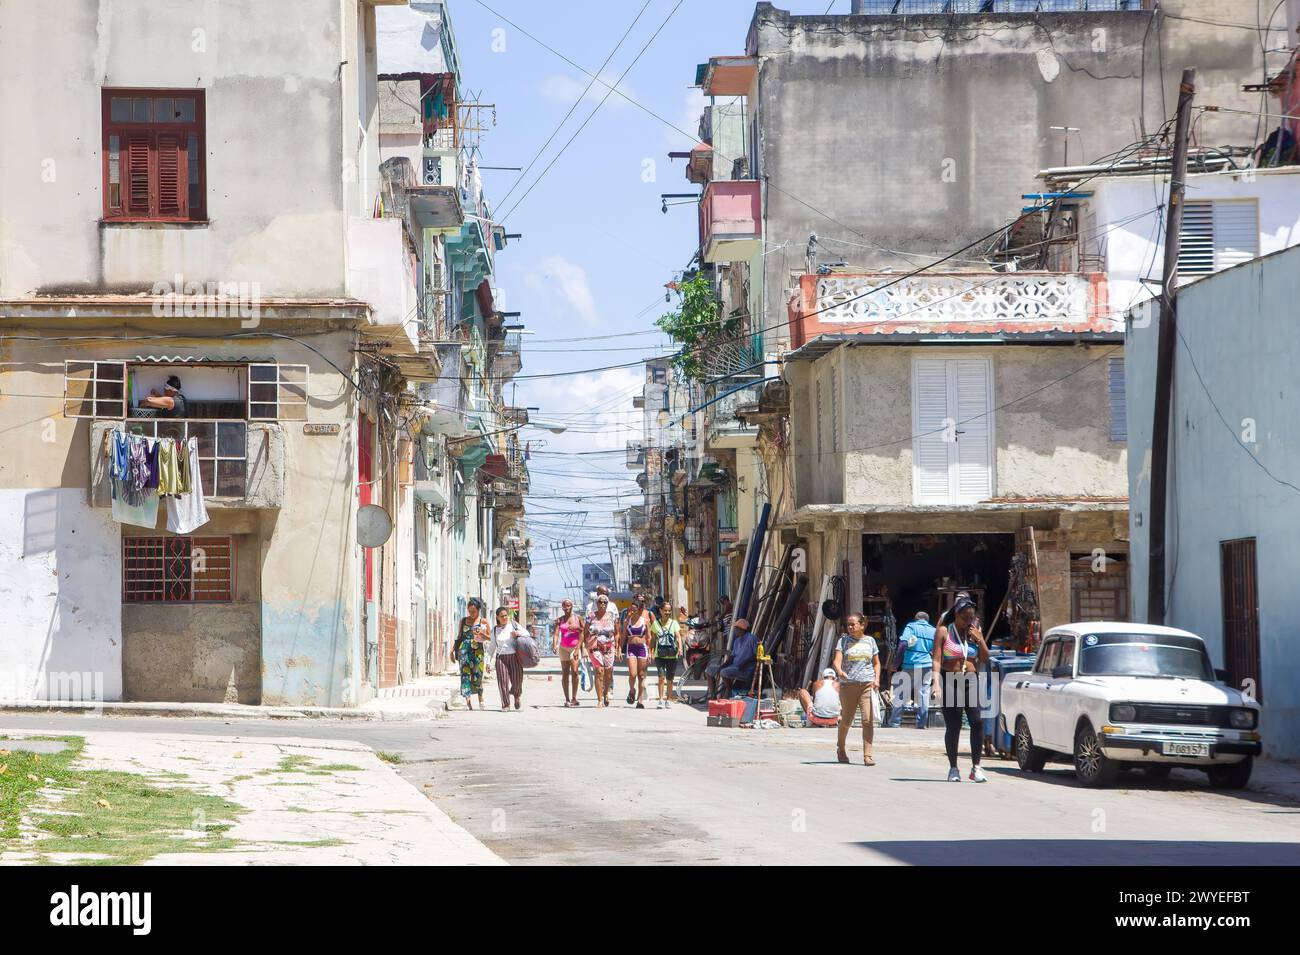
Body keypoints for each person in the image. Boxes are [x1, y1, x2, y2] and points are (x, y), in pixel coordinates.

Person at [930, 594, 991, 782]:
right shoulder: (944, 631)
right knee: (954, 725)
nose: (967, 621)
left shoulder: (975, 632)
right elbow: (937, 659)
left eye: (970, 618)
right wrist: (936, 683)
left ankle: (976, 767)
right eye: (964, 617)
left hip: (971, 680)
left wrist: (980, 640)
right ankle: (953, 768)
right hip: (950, 679)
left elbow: (985, 658)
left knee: (977, 721)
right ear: (956, 615)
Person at [833, 613, 880, 766]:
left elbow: (876, 663)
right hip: (848, 685)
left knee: (868, 720)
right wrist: (840, 671)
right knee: (846, 720)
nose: (851, 627)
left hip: (866, 684)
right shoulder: (844, 641)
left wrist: (877, 679)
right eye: (849, 625)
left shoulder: (870, 641)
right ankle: (841, 748)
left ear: (862, 624)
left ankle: (867, 755)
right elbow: (837, 661)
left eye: (854, 624)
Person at [889, 611, 936, 729]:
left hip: (911, 664)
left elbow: (903, 644)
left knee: (902, 693)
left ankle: (895, 722)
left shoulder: (911, 627)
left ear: (916, 619)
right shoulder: (933, 630)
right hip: (927, 665)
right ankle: (921, 723)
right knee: (924, 694)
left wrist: (896, 663)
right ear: (927, 620)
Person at [585, 593, 620, 707]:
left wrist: (618, 647)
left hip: (609, 647)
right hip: (595, 646)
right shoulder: (591, 616)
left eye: (605, 602)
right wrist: (583, 647)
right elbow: (584, 632)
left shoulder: (611, 615)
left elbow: (617, 633)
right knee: (599, 671)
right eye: (601, 602)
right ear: (596, 603)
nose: (603, 604)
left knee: (608, 672)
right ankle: (599, 699)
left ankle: (605, 693)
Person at [453, 598, 489, 710]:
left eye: (474, 611)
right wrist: (452, 650)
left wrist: (482, 635)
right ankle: (467, 701)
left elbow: (490, 637)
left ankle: (480, 698)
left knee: (477, 675)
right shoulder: (463, 621)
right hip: (464, 650)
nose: (472, 614)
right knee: (465, 675)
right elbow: (459, 637)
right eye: (470, 611)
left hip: (477, 651)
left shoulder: (483, 622)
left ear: (479, 610)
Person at [491, 606, 528, 711]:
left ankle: (516, 696)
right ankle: (505, 704)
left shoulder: (514, 625)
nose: (504, 618)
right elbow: (491, 647)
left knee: (517, 681)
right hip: (501, 658)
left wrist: (518, 633)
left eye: (506, 615)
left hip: (515, 657)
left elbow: (527, 634)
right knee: (502, 681)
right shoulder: (495, 630)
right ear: (497, 617)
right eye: (502, 616)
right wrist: (488, 663)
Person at [552, 598, 584, 707]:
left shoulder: (578, 618)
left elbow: (584, 632)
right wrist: (554, 644)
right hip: (563, 648)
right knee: (565, 673)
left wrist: (577, 628)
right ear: (562, 607)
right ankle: (567, 699)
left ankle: (574, 698)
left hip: (575, 647)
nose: (566, 608)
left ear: (572, 606)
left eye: (568, 605)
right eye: (564, 606)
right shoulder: (560, 620)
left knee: (575, 671)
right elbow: (556, 634)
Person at [622, 594, 653, 708]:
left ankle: (640, 700)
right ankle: (632, 690)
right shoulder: (627, 621)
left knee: (641, 675)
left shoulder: (645, 621)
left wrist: (650, 652)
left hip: (642, 648)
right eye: (632, 609)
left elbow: (649, 637)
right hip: (631, 648)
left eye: (636, 609)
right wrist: (619, 650)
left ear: (640, 610)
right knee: (632, 673)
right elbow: (623, 636)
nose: (633, 611)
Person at [651, 599, 682, 709]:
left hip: (672, 655)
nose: (667, 613)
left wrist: (680, 648)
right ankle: (660, 699)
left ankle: (668, 700)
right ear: (660, 611)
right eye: (665, 611)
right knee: (661, 677)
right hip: (659, 655)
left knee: (670, 679)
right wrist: (650, 652)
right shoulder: (655, 624)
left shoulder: (674, 623)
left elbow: (678, 637)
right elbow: (653, 639)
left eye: (669, 611)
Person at [716, 618, 756, 699]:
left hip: (746, 669)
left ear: (742, 629)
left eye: (737, 629)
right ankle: (716, 694)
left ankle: (729, 690)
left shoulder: (752, 638)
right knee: (717, 670)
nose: (735, 631)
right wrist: (723, 665)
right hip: (736, 667)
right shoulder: (737, 641)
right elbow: (732, 656)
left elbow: (756, 655)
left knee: (724, 672)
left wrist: (745, 663)